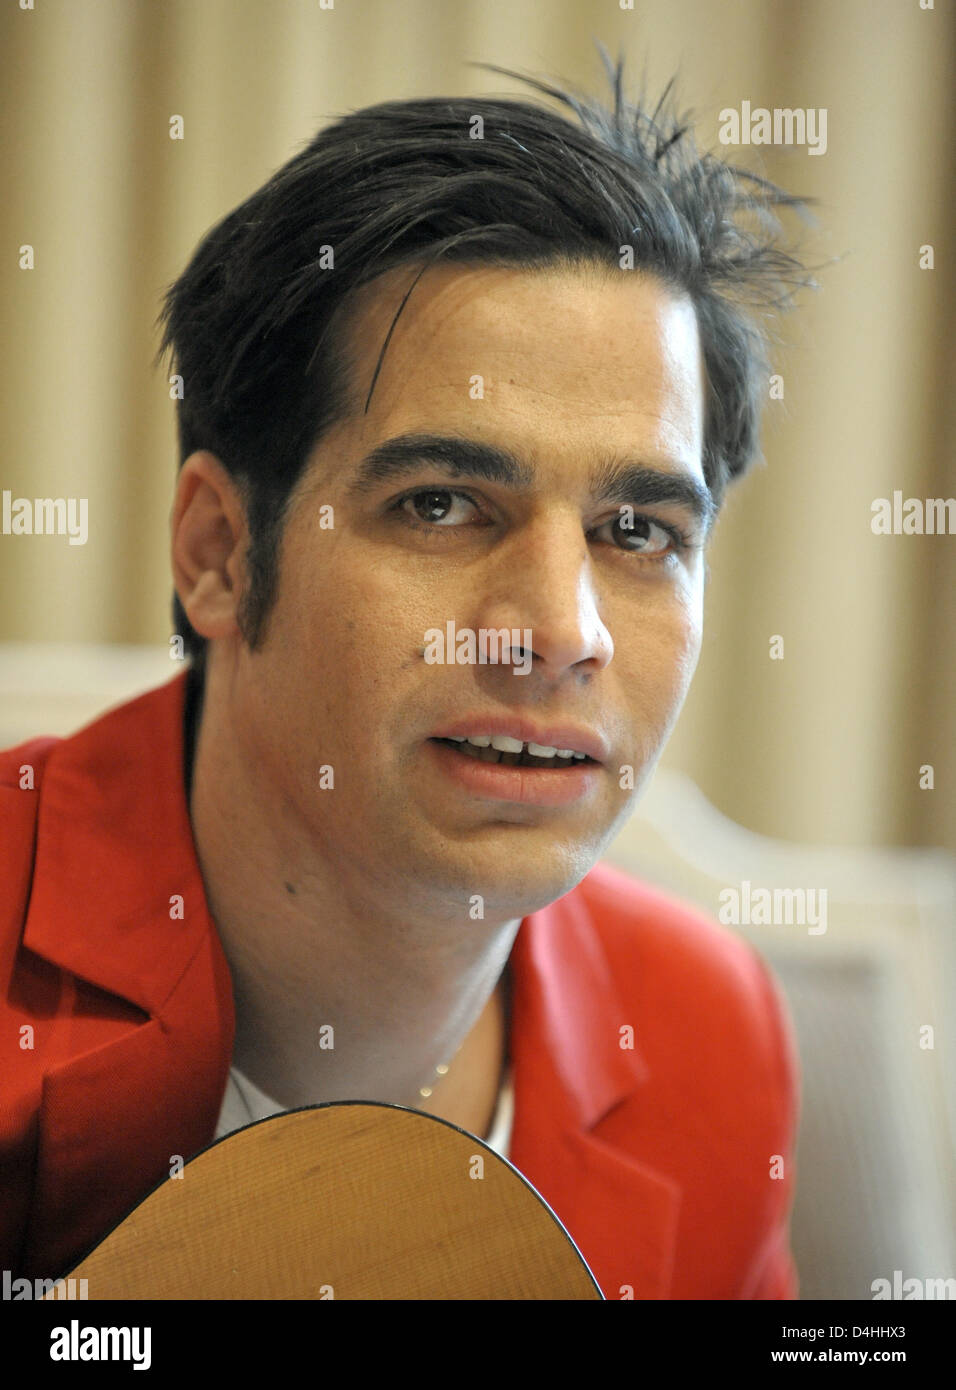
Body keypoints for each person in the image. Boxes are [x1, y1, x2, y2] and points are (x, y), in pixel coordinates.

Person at [0, 57, 813, 1299]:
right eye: (439, 504)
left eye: (637, 530)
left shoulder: (703, 1032)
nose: (556, 630)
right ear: (219, 551)